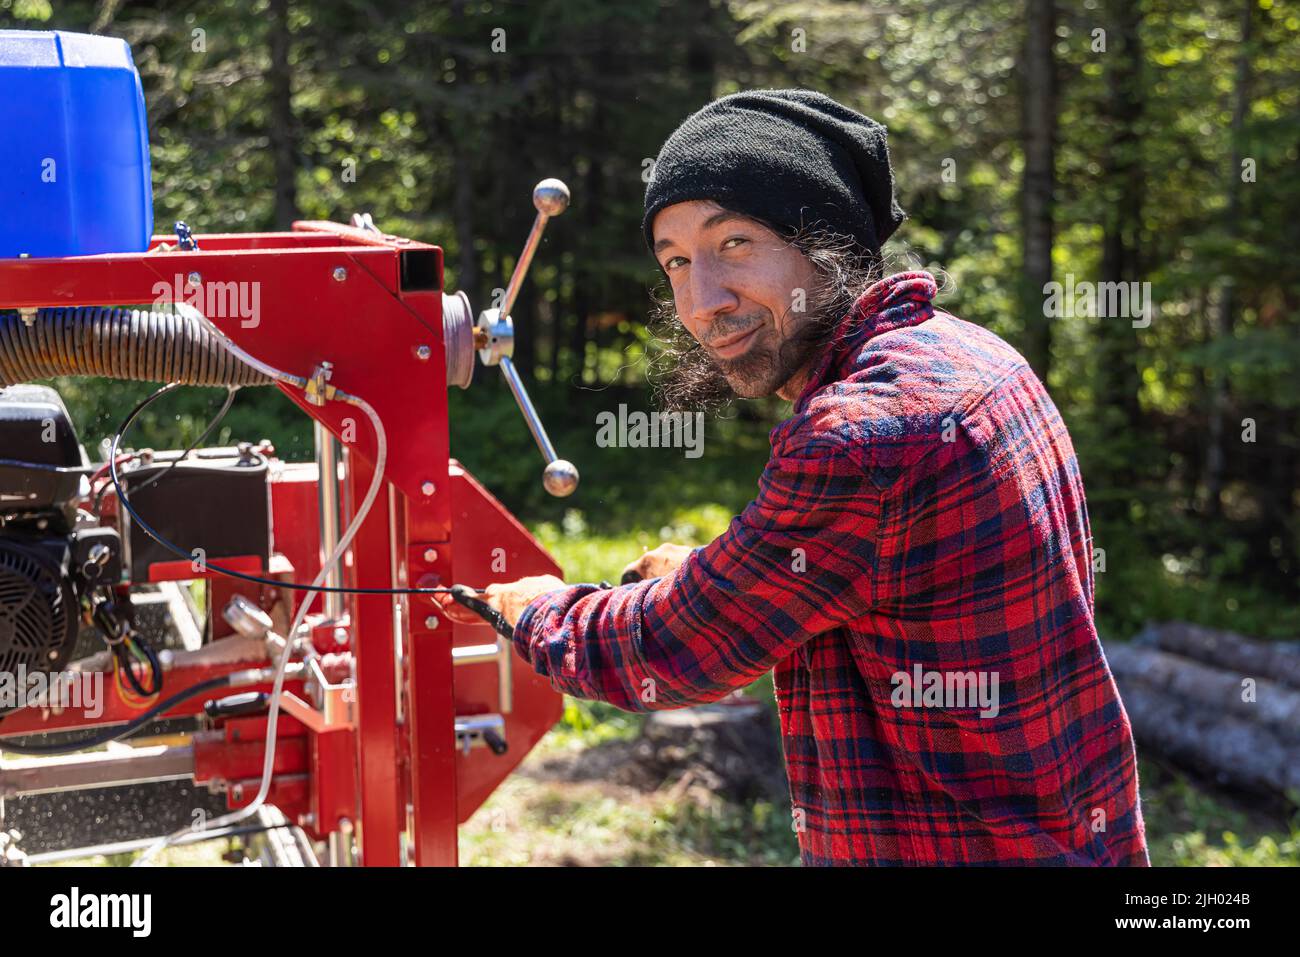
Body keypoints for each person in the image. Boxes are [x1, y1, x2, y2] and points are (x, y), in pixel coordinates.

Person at [438, 89, 1149, 866]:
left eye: (734, 242)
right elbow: (877, 579)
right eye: (675, 261)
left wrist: (533, 608)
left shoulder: (860, 434)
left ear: (828, 239)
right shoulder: (970, 356)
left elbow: (667, 651)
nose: (701, 302)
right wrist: (718, 572)